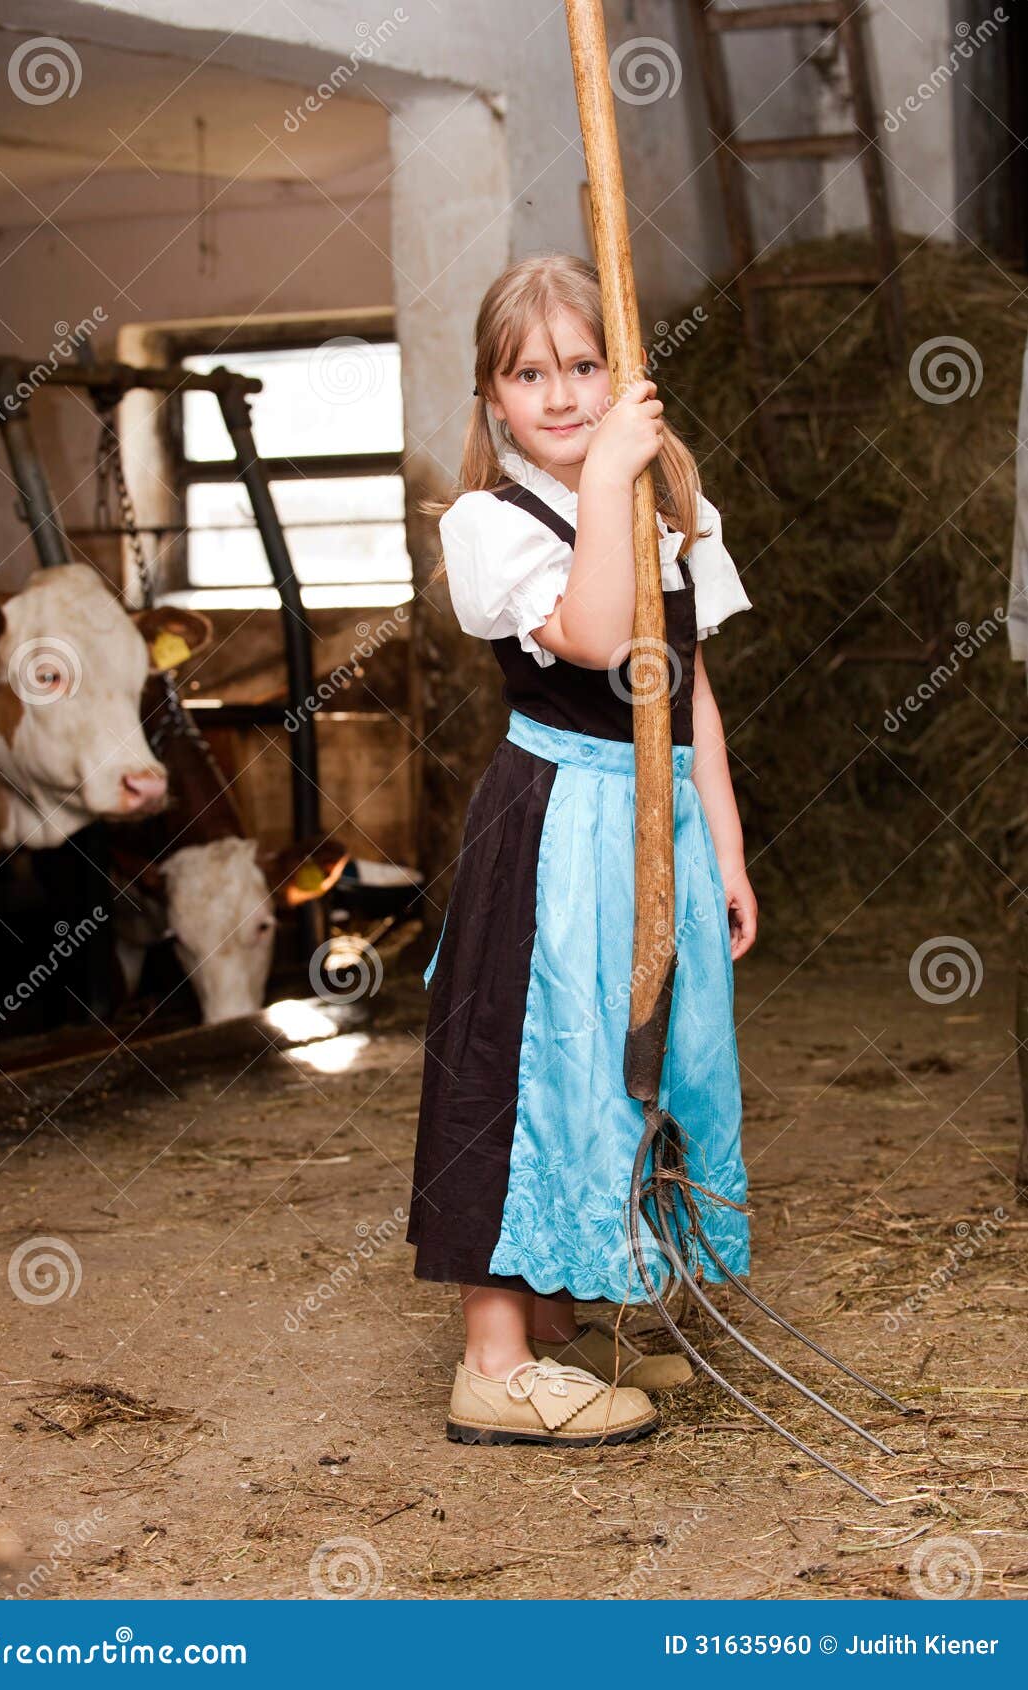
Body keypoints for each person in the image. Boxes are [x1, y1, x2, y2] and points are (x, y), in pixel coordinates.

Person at [408, 253, 758, 1447]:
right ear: (493, 399)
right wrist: (609, 473)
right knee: (521, 1063)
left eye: (583, 364)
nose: (559, 394)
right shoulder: (488, 524)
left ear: (625, 373)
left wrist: (725, 848)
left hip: (658, 816)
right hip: (554, 819)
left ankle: (559, 1320)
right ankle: (493, 1363)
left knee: (622, 1063)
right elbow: (602, 636)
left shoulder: (672, 510)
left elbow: (688, 690)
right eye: (527, 374)